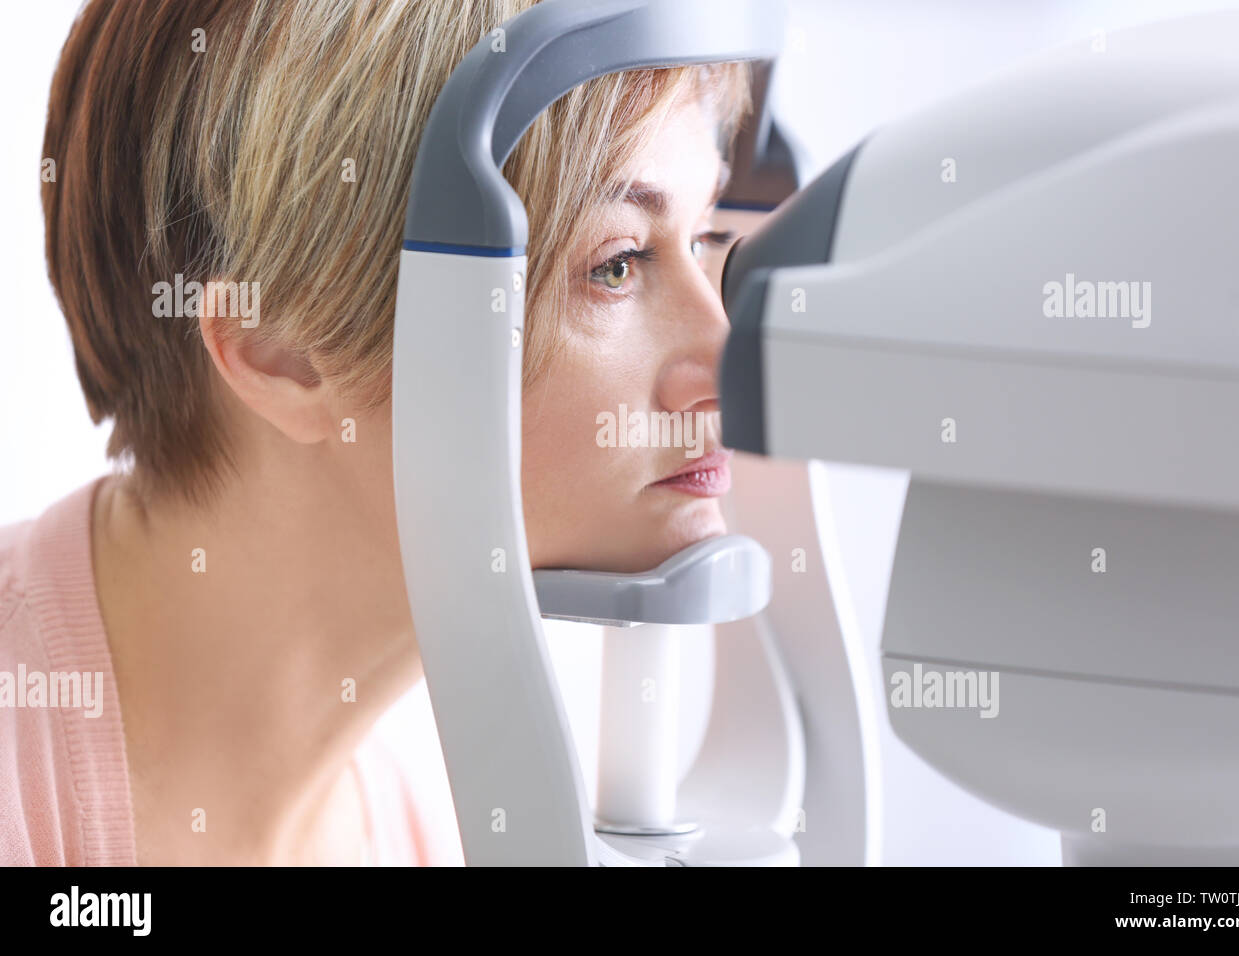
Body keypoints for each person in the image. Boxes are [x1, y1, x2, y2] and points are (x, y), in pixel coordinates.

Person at [0, 0, 752, 865]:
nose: (726, 363)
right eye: (616, 265)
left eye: (702, 238)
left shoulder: (410, 832)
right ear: (283, 352)